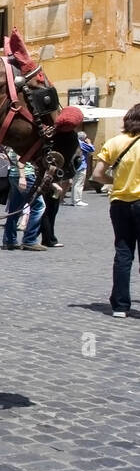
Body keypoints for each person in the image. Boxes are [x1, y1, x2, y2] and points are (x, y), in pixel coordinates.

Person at [96, 103, 140, 318]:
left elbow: (97, 175)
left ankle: (120, 306)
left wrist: (114, 182)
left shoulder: (114, 142)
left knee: (123, 253)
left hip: (120, 203)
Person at [39, 106, 84, 249]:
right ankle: (48, 238)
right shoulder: (71, 137)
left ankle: (43, 236)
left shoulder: (50, 134)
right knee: (50, 209)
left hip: (44, 173)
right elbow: (74, 157)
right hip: (55, 177)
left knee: (43, 208)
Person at [1, 153, 46, 251]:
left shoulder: (14, 140)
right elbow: (19, 156)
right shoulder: (24, 139)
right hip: (25, 175)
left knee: (15, 209)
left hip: (13, 175)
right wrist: (22, 176)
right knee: (39, 206)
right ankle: (29, 240)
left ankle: (9, 240)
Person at [69, 131, 93, 206]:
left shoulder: (74, 142)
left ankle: (74, 200)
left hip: (75, 166)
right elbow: (92, 149)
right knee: (79, 183)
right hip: (81, 166)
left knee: (75, 183)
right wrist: (89, 142)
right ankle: (77, 200)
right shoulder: (81, 143)